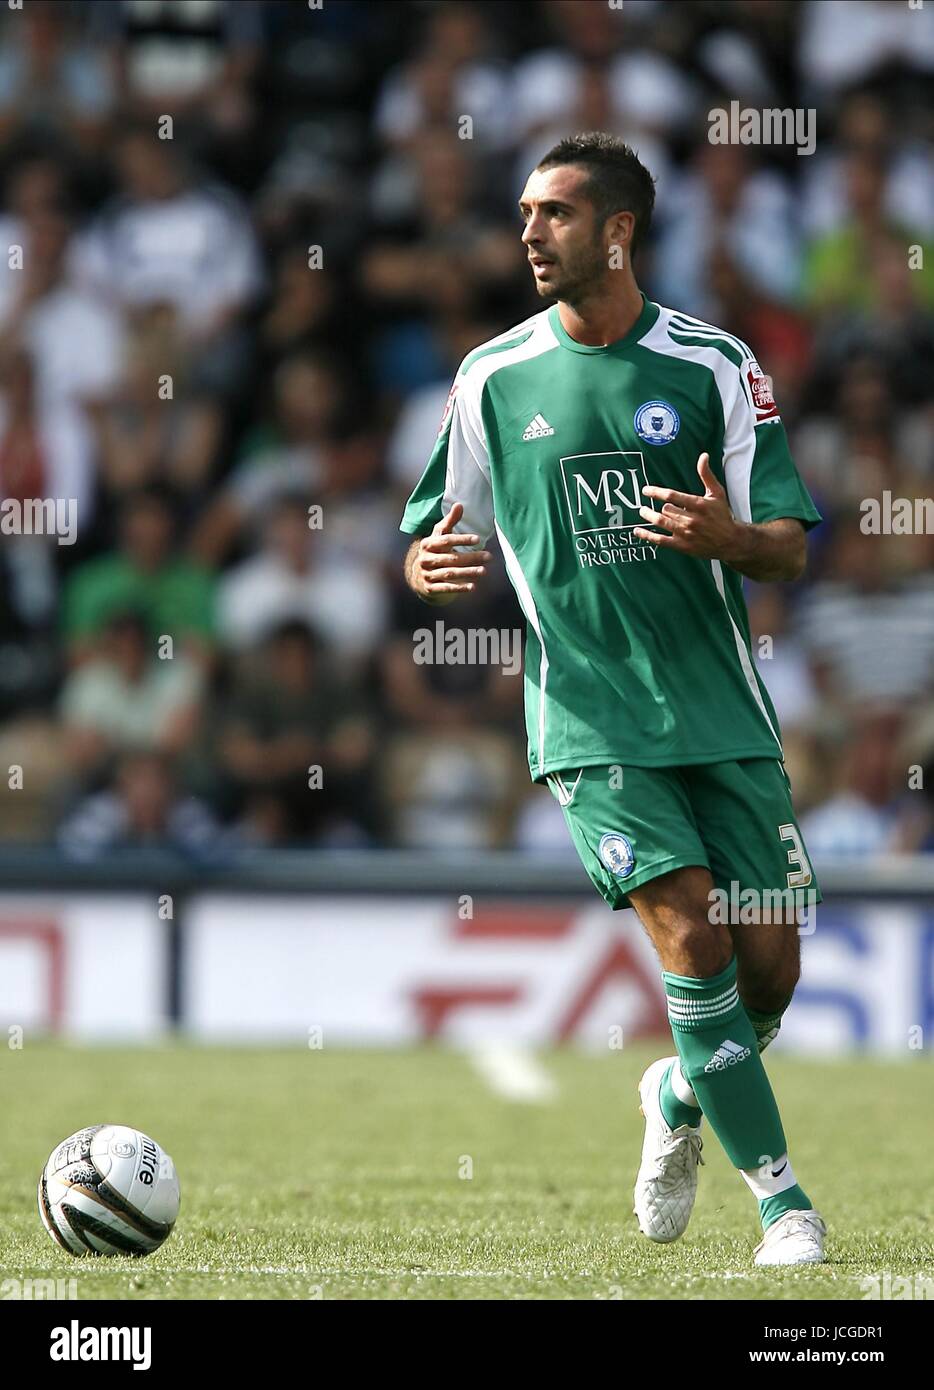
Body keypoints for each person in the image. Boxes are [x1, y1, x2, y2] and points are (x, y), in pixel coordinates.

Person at [399, 132, 824, 1268]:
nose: (529, 232)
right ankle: (785, 1207)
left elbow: (783, 546)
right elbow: (436, 522)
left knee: (769, 969)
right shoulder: (491, 376)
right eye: (526, 212)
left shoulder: (713, 364)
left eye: (555, 214)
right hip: (588, 718)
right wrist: (425, 567)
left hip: (721, 713)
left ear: (619, 231)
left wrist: (731, 538)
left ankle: (679, 1091)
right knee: (690, 936)